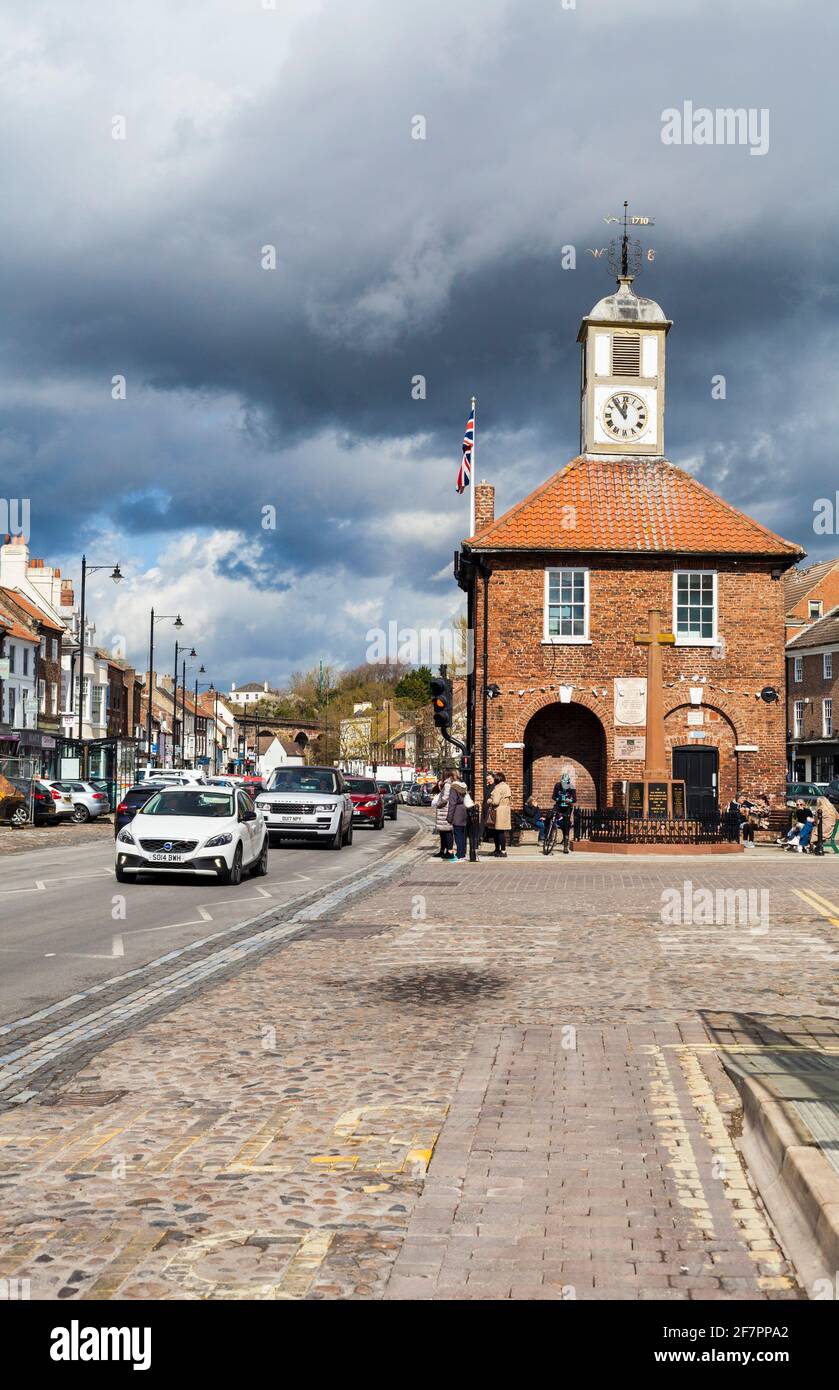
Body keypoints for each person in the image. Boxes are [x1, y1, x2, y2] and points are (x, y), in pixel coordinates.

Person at [550, 768, 577, 854]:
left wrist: (569, 801)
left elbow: (575, 800)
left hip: (567, 808)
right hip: (558, 805)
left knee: (566, 824)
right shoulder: (557, 785)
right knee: (550, 815)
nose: (564, 785)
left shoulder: (572, 787)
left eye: (566, 783)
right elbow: (553, 797)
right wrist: (559, 798)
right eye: (563, 783)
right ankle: (550, 836)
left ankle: (565, 845)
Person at [432, 770, 455, 859]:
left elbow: (445, 798)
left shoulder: (448, 784)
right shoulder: (445, 784)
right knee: (443, 832)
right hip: (443, 811)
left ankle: (449, 851)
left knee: (447, 832)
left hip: (445, 811)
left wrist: (438, 803)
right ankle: (443, 850)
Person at [488, 771, 512, 857]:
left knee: (498, 832)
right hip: (505, 810)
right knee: (500, 831)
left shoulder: (498, 788)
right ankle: (499, 850)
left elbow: (495, 802)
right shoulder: (506, 786)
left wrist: (489, 800)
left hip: (498, 811)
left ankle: (502, 851)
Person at [446, 778, 469, 861]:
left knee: (457, 834)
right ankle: (462, 853)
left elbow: (452, 803)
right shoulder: (463, 787)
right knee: (462, 834)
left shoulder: (454, 788)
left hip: (457, 813)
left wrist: (449, 817)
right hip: (463, 811)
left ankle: (459, 855)